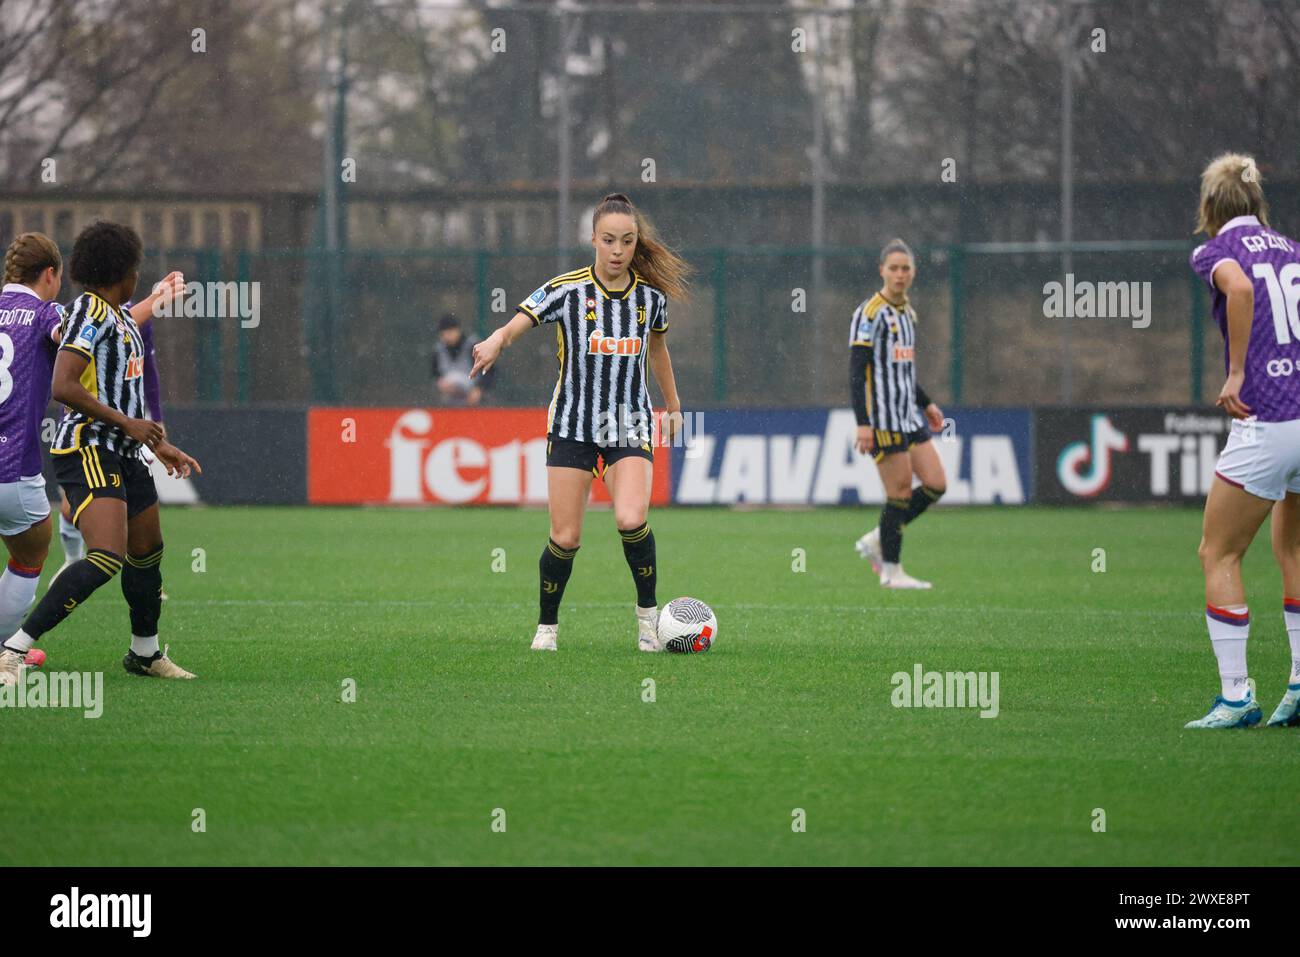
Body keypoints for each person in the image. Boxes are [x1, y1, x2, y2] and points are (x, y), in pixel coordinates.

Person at [470, 192, 687, 652]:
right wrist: (495, 341)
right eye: (608, 240)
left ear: (635, 245)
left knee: (631, 518)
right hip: (572, 425)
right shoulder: (567, 290)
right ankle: (547, 627)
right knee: (565, 537)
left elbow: (660, 350)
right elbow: (519, 321)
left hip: (627, 423)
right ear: (593, 239)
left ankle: (648, 620)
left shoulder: (651, 300)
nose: (617, 250)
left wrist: (672, 405)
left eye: (626, 242)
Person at [0, 221, 200, 685]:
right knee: (106, 556)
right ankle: (13, 649)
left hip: (125, 449)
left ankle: (144, 654)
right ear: (123, 274)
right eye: (134, 270)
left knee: (148, 551)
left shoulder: (117, 317)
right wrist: (131, 424)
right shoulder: (89, 312)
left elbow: (122, 392)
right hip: (88, 447)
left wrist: (158, 444)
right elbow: (64, 385)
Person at [1186, 153, 1300, 728]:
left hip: (1269, 420)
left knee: (1220, 552)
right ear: (1258, 203)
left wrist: (1235, 372)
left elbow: (1239, 290)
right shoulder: (1293, 250)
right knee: (1295, 551)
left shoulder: (1215, 252)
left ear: (1209, 206)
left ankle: (1236, 696)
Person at [849, 239, 947, 589]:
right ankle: (892, 571)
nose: (900, 274)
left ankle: (880, 536)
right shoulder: (869, 314)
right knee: (900, 493)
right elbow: (857, 371)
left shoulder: (908, 313)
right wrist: (863, 424)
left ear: (913, 272)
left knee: (936, 484)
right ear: (882, 271)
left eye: (906, 268)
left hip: (909, 417)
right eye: (894, 268)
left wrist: (927, 403)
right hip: (883, 420)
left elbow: (903, 369)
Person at [434, 314, 489, 405]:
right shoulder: (439, 349)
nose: (446, 337)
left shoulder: (473, 346)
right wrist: (440, 384)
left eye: (449, 333)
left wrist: (479, 389)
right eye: (443, 334)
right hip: (448, 403)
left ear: (457, 330)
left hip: (475, 402)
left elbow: (488, 371)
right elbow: (435, 374)